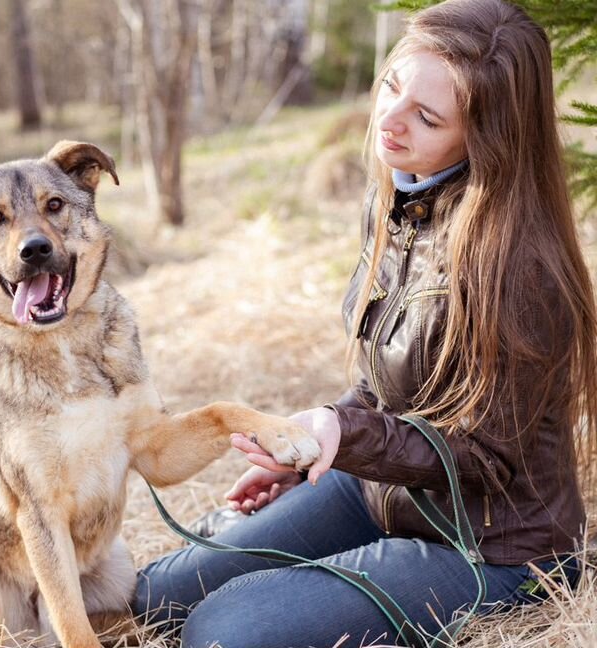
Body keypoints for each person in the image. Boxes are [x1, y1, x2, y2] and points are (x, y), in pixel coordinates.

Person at [130, 1, 597, 646]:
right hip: (384, 490)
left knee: (224, 631)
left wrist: (343, 435)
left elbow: (488, 460)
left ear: (486, 138)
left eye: (426, 117)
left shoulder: (521, 269)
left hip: (492, 546)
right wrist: (304, 449)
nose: (389, 119)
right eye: (392, 86)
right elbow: (394, 387)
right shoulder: (404, 193)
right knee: (154, 598)